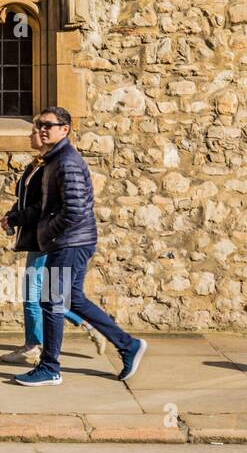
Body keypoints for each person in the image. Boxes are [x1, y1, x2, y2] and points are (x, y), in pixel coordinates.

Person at [14, 107, 148, 386]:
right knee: (72, 299)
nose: (41, 129)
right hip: (70, 242)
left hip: (69, 242)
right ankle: (128, 345)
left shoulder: (67, 162)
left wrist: (47, 231)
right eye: (38, 123)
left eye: (47, 125)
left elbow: (75, 209)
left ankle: (50, 367)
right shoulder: (54, 159)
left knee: (51, 301)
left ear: (65, 129)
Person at [0, 126, 107, 365]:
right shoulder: (36, 164)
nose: (31, 135)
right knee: (41, 294)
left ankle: (36, 345)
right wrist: (11, 215)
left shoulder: (51, 166)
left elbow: (43, 207)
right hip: (33, 236)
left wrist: (18, 218)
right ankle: (83, 327)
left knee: (35, 294)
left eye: (36, 131)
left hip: (44, 237)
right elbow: (25, 199)